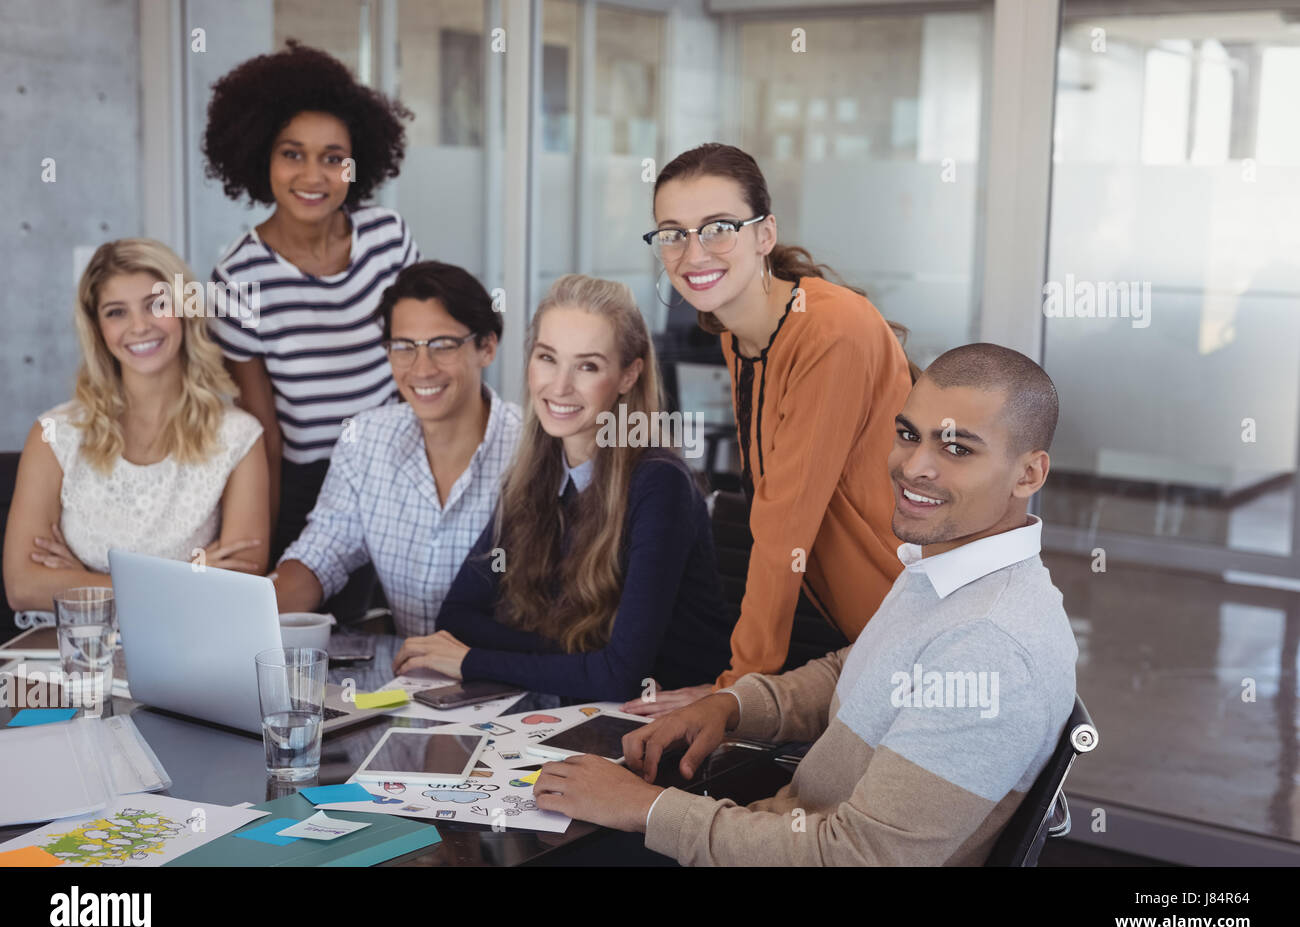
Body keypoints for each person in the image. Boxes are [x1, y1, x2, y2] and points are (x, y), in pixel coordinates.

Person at [534, 344, 1079, 866]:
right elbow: (861, 669)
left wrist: (642, 809)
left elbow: (861, 859)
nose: (915, 467)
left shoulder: (988, 645)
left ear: (1029, 474)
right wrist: (732, 707)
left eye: (957, 448)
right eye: (909, 435)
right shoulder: (953, 573)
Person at [624, 143, 916, 716]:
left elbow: (785, 524)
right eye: (672, 233)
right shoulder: (739, 336)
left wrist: (735, 692)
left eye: (719, 228)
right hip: (861, 639)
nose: (692, 252)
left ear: (765, 234)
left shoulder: (830, 329)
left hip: (915, 636)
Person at [392, 275, 733, 700]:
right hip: (582, 712)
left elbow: (620, 678)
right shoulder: (537, 473)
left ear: (629, 375)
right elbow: (459, 617)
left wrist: (472, 660)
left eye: (587, 366)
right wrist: (582, 658)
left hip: (676, 733)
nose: (559, 386)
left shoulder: (661, 484)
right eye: (548, 358)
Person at [201, 41, 418, 589]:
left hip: (399, 467)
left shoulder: (388, 239)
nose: (313, 176)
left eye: (332, 157)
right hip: (307, 487)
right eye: (291, 153)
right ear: (260, 157)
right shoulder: (237, 278)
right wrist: (269, 547)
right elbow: (262, 431)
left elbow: (421, 359)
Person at [3, 239, 269, 615]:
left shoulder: (239, 436)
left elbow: (240, 585)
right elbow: (23, 585)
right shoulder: (55, 433)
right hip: (66, 654)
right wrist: (186, 580)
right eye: (116, 312)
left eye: (157, 304)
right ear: (97, 328)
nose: (140, 326)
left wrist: (80, 581)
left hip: (187, 653)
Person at [271, 261, 522, 637]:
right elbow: (321, 555)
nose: (422, 369)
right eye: (404, 347)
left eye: (443, 345)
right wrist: (248, 618)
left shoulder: (533, 450)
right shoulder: (366, 439)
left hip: (513, 678)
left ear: (486, 347)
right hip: (407, 685)